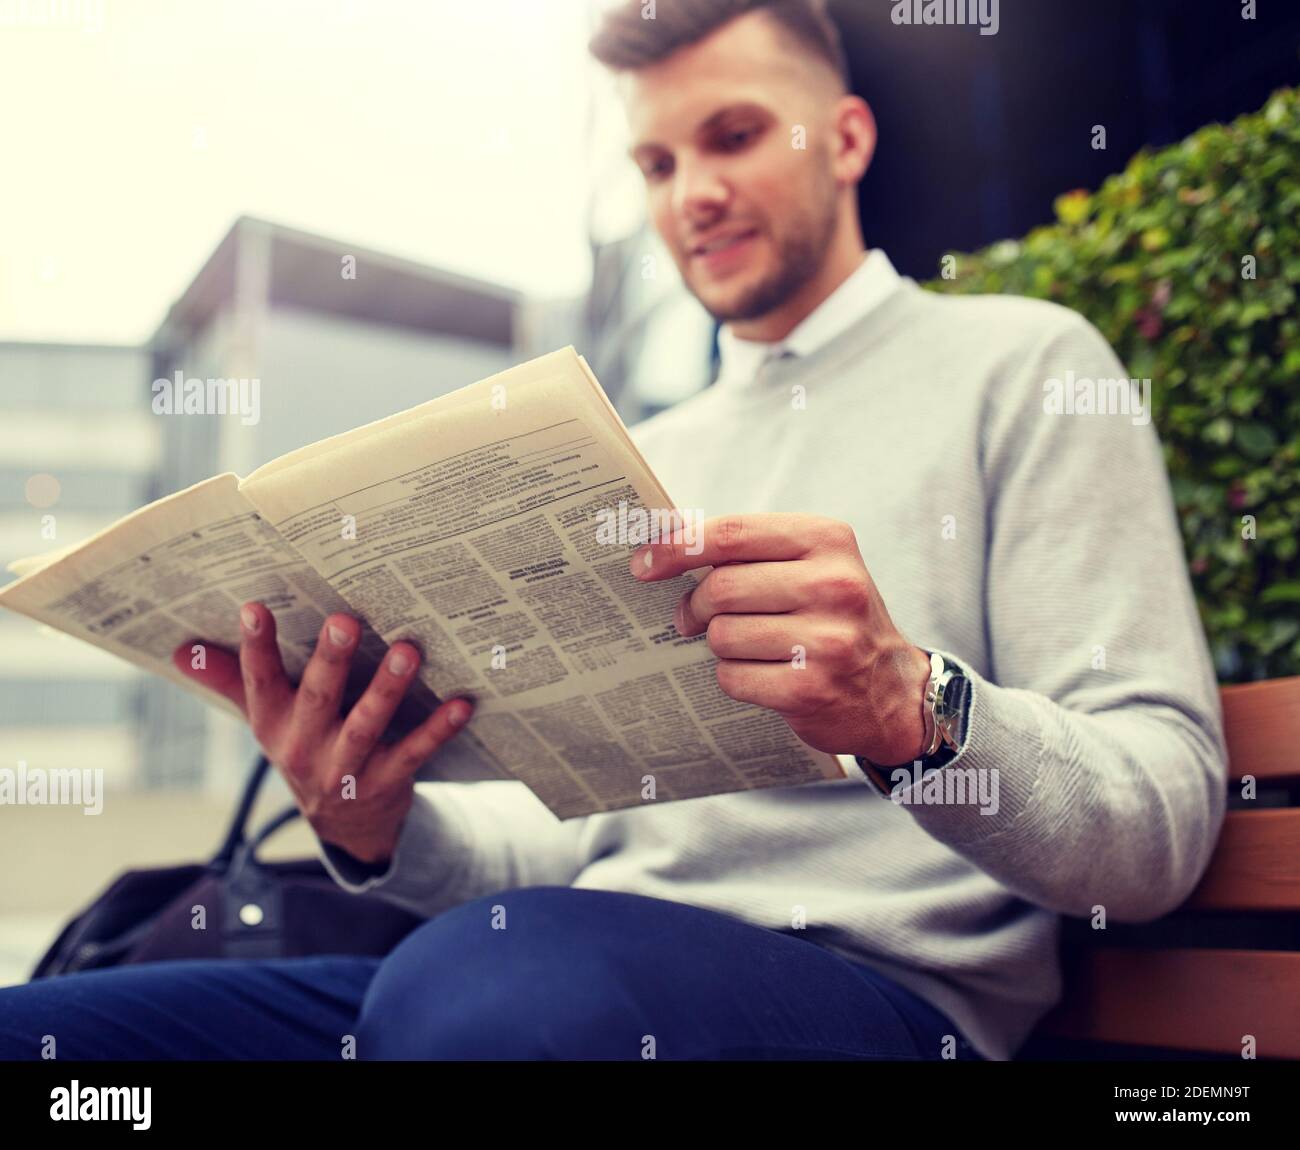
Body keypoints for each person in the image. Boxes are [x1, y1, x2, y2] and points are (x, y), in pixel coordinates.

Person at [0, 0, 1225, 1062]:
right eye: (655, 163)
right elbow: (551, 860)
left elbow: (1158, 828)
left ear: (847, 139)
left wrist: (914, 708)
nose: (692, 195)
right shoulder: (642, 450)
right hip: (555, 980)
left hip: (870, 996)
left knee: (481, 995)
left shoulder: (1024, 367)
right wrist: (375, 826)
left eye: (733, 136)